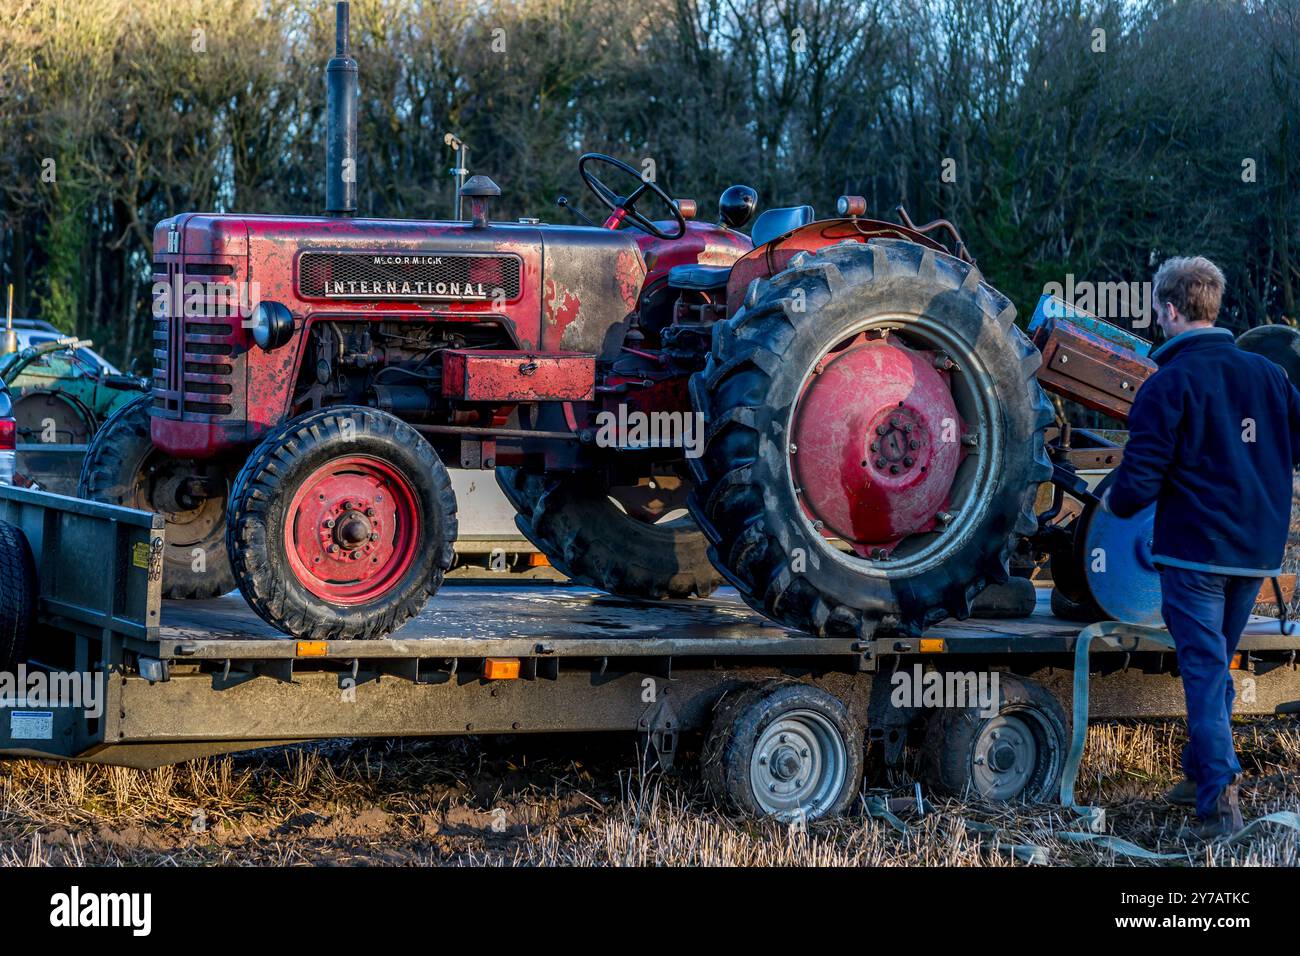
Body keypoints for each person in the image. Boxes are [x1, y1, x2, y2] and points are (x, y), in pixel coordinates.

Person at [1103, 256, 1300, 839]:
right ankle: (1197, 773)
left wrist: (1109, 505)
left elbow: (1136, 487)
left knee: (1204, 672)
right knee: (1214, 667)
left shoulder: (1168, 384)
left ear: (1168, 309)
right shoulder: (1270, 376)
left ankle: (1218, 804)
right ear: (1213, 306)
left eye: (1157, 312)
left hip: (1194, 556)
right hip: (1256, 554)